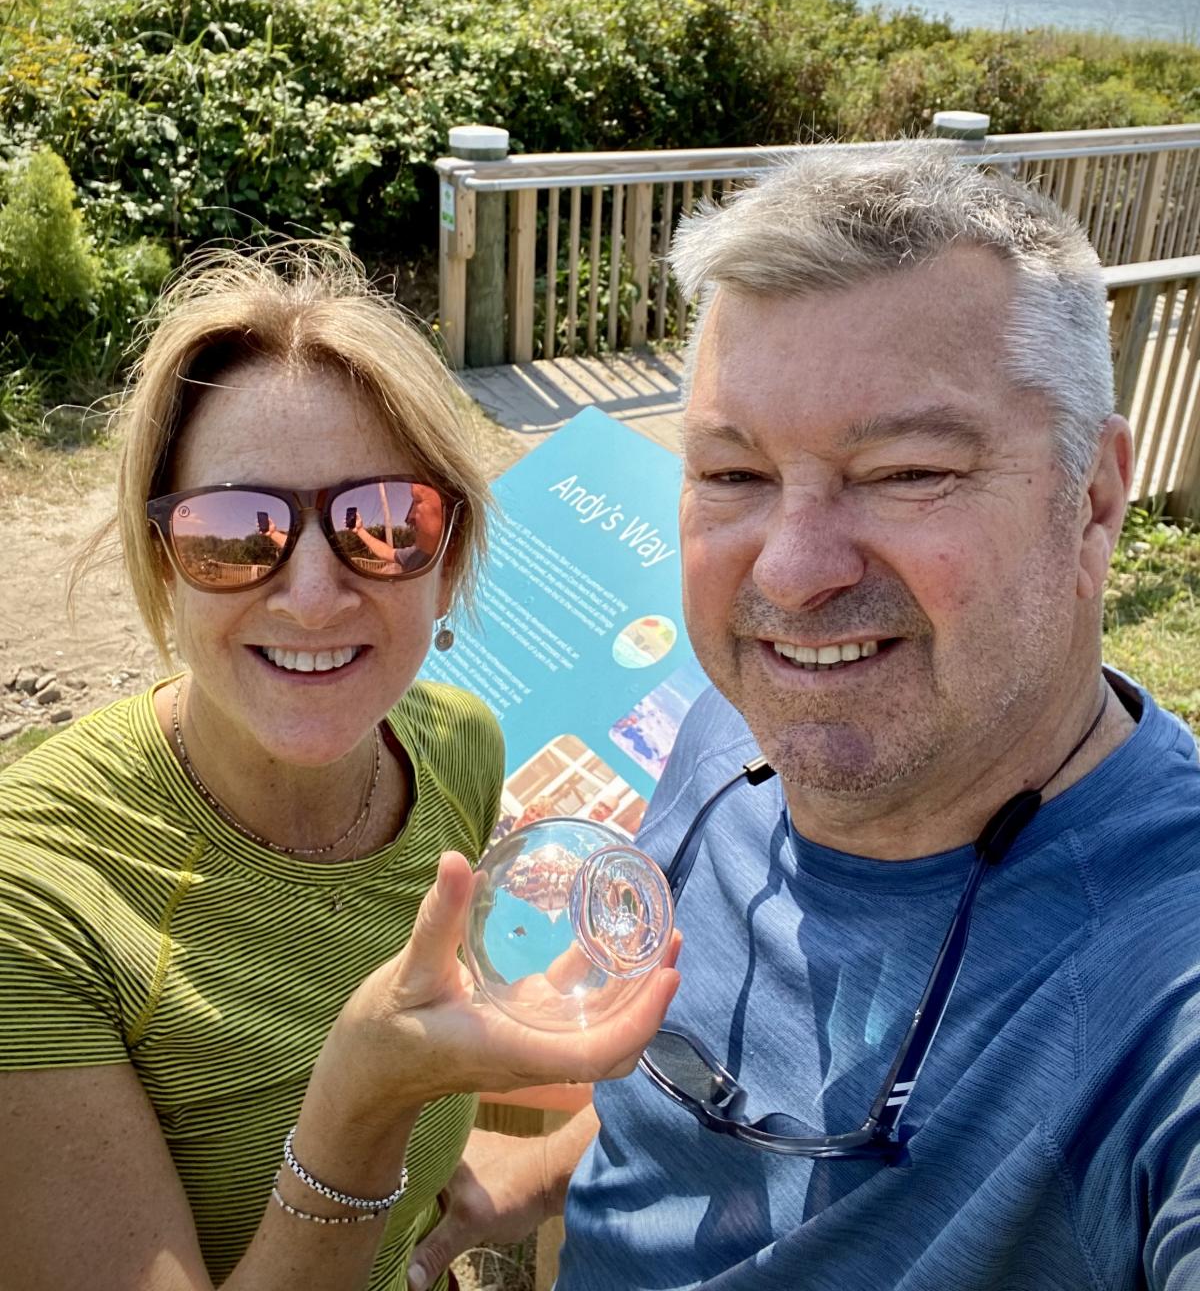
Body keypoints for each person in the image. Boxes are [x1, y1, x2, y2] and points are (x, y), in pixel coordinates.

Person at [406, 146, 1200, 1291]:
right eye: (732, 475)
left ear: (1096, 500)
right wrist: (532, 1177)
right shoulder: (727, 739)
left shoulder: (1156, 981)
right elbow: (715, 1081)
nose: (792, 571)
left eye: (910, 470)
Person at [0, 244, 679, 1291]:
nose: (312, 593)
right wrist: (359, 1109)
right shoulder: (33, 897)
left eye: (384, 526)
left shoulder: (456, 746)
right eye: (234, 531)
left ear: (449, 555)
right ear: (161, 563)